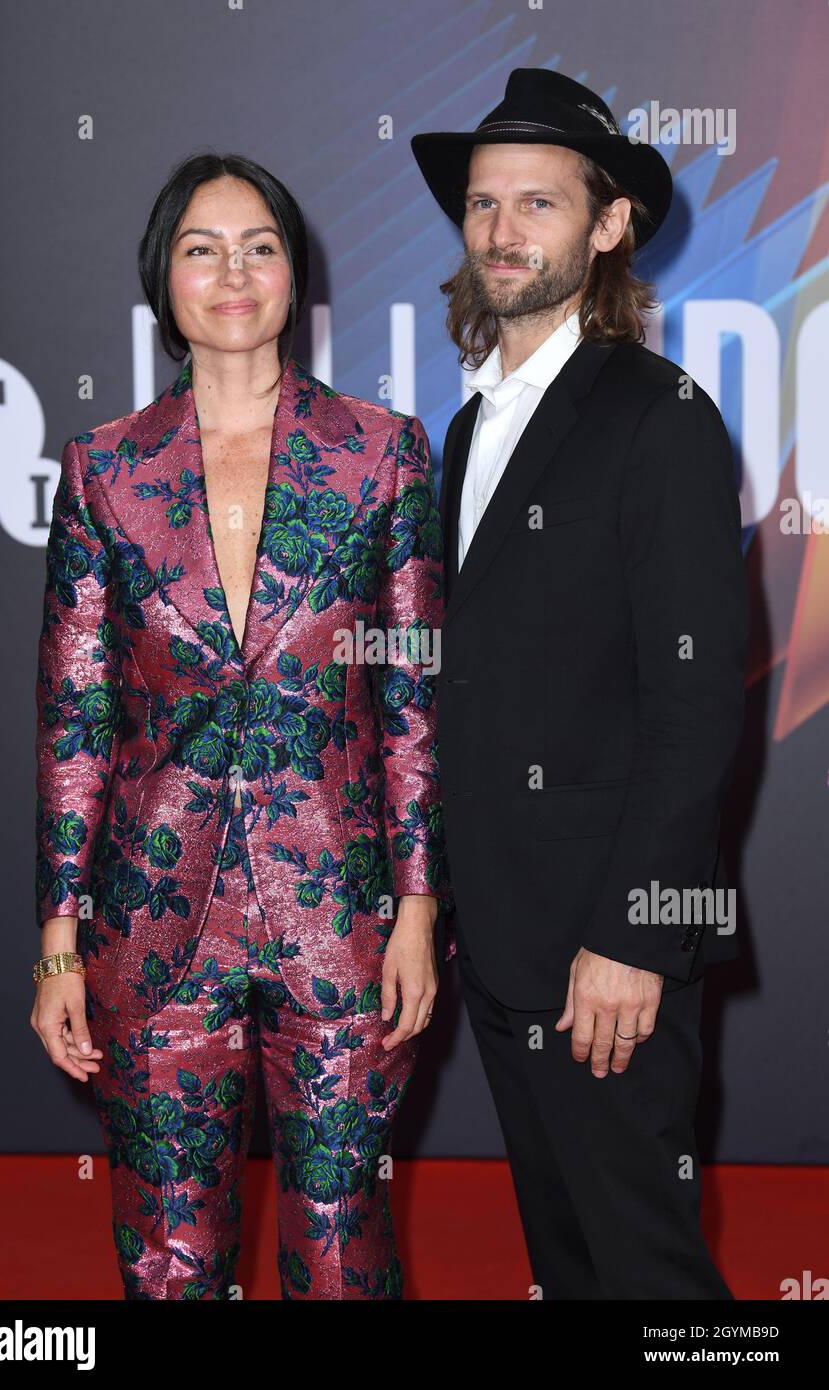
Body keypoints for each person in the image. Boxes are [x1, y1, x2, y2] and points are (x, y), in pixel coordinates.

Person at [30, 152, 450, 1300]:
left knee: (342, 1241)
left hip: (343, 915)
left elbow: (416, 705)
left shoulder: (382, 453)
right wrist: (58, 942)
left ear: (294, 274)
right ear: (161, 280)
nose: (232, 272)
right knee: (170, 1253)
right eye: (201, 248)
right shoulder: (105, 471)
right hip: (155, 917)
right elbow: (76, 719)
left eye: (259, 246)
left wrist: (418, 908)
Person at [412, 68, 748, 1299]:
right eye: (484, 203)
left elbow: (699, 699)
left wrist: (635, 935)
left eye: (539, 204)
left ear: (607, 227)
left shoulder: (660, 416)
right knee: (570, 1269)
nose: (501, 230)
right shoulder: (469, 427)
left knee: (654, 1279)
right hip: (501, 944)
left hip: (609, 957)